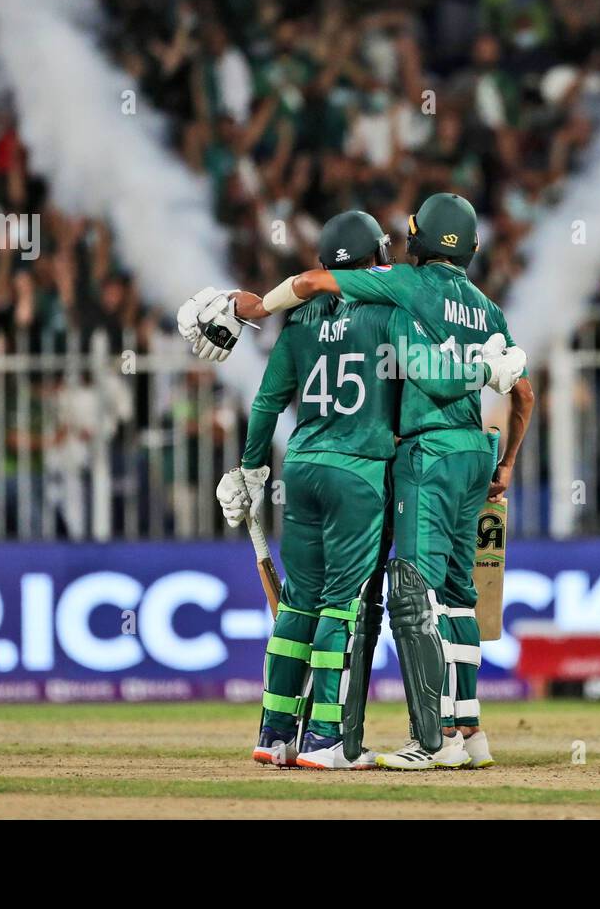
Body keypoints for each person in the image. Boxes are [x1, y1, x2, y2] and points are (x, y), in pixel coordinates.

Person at [179, 209, 524, 770]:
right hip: (360, 474)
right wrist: (482, 374)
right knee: (343, 607)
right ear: (376, 260)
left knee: (297, 605)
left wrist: (250, 471)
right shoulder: (389, 315)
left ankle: (274, 734)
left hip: (303, 468)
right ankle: (324, 741)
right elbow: (430, 376)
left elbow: (268, 400)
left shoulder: (300, 322)